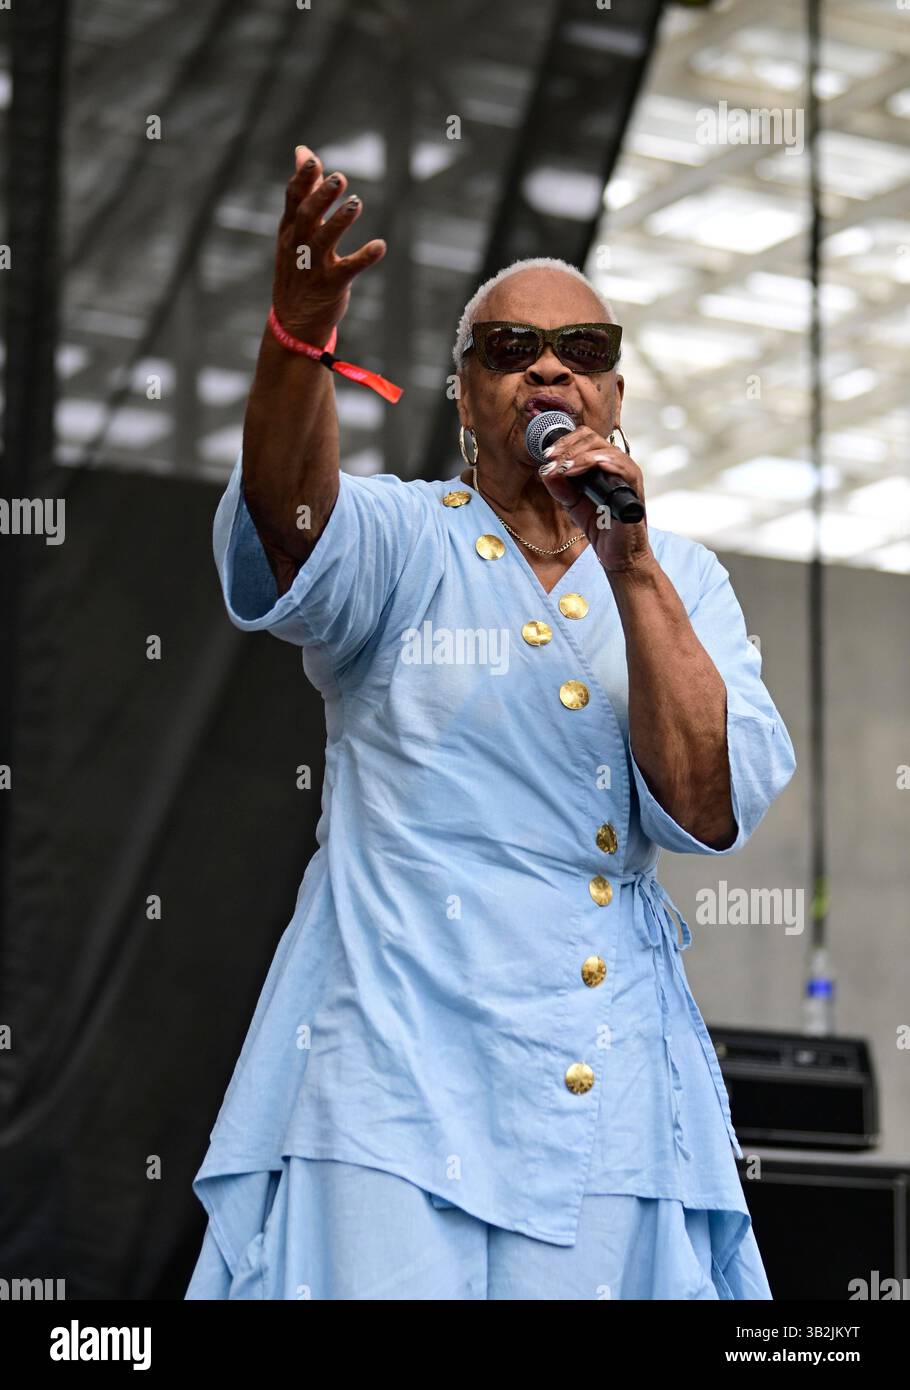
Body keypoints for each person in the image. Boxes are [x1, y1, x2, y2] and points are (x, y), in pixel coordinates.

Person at [185, 144, 796, 1300]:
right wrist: (298, 338)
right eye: (510, 350)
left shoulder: (681, 577)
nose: (549, 371)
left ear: (614, 394)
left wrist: (633, 566)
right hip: (391, 1080)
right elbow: (286, 524)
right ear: (465, 393)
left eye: (585, 352)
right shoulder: (406, 537)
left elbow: (706, 803)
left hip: (604, 1083)